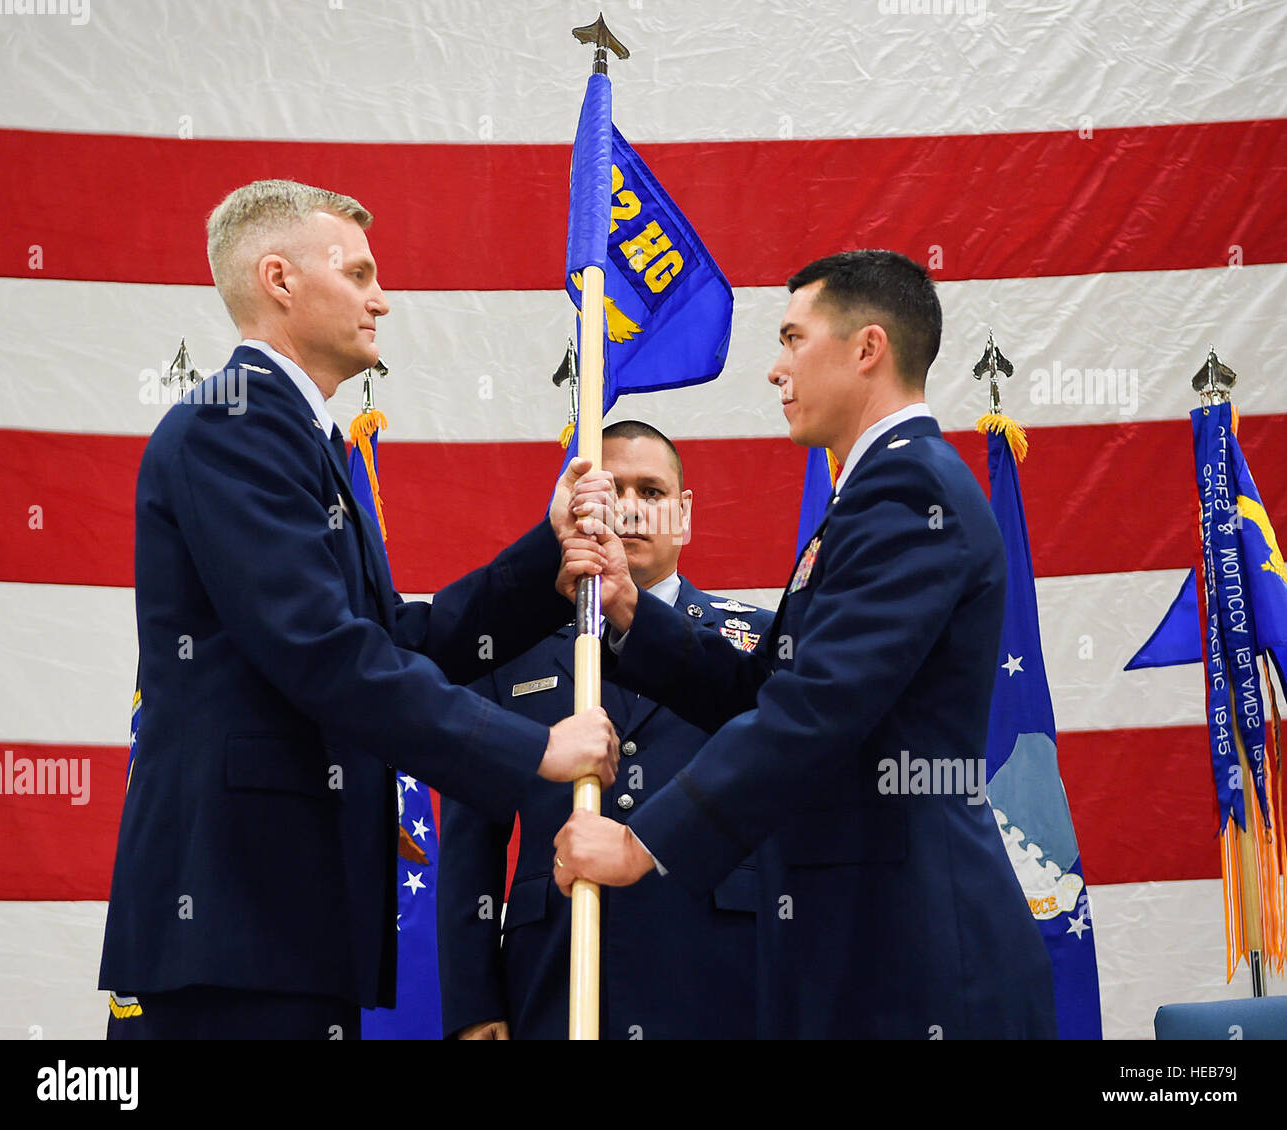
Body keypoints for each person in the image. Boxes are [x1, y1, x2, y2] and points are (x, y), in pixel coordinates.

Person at [98, 179, 619, 1040]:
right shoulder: (234, 428)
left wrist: (546, 559)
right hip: (234, 917)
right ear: (280, 279)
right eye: (360, 272)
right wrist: (535, 750)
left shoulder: (301, 439)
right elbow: (323, 652)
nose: (383, 297)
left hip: (283, 920)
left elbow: (392, 642)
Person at [553, 250, 1058, 1039]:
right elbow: (764, 688)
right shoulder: (876, 494)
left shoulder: (908, 492)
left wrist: (641, 841)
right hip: (862, 950)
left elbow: (813, 708)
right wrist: (628, 608)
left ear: (867, 350)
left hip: (911, 959)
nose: (775, 369)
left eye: (793, 339)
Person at [437, 421, 771, 1040]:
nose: (633, 510)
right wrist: (472, 1002)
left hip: (721, 972)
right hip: (555, 973)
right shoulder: (504, 647)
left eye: (652, 492)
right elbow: (469, 838)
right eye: (613, 490)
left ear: (685, 514)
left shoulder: (754, 647)